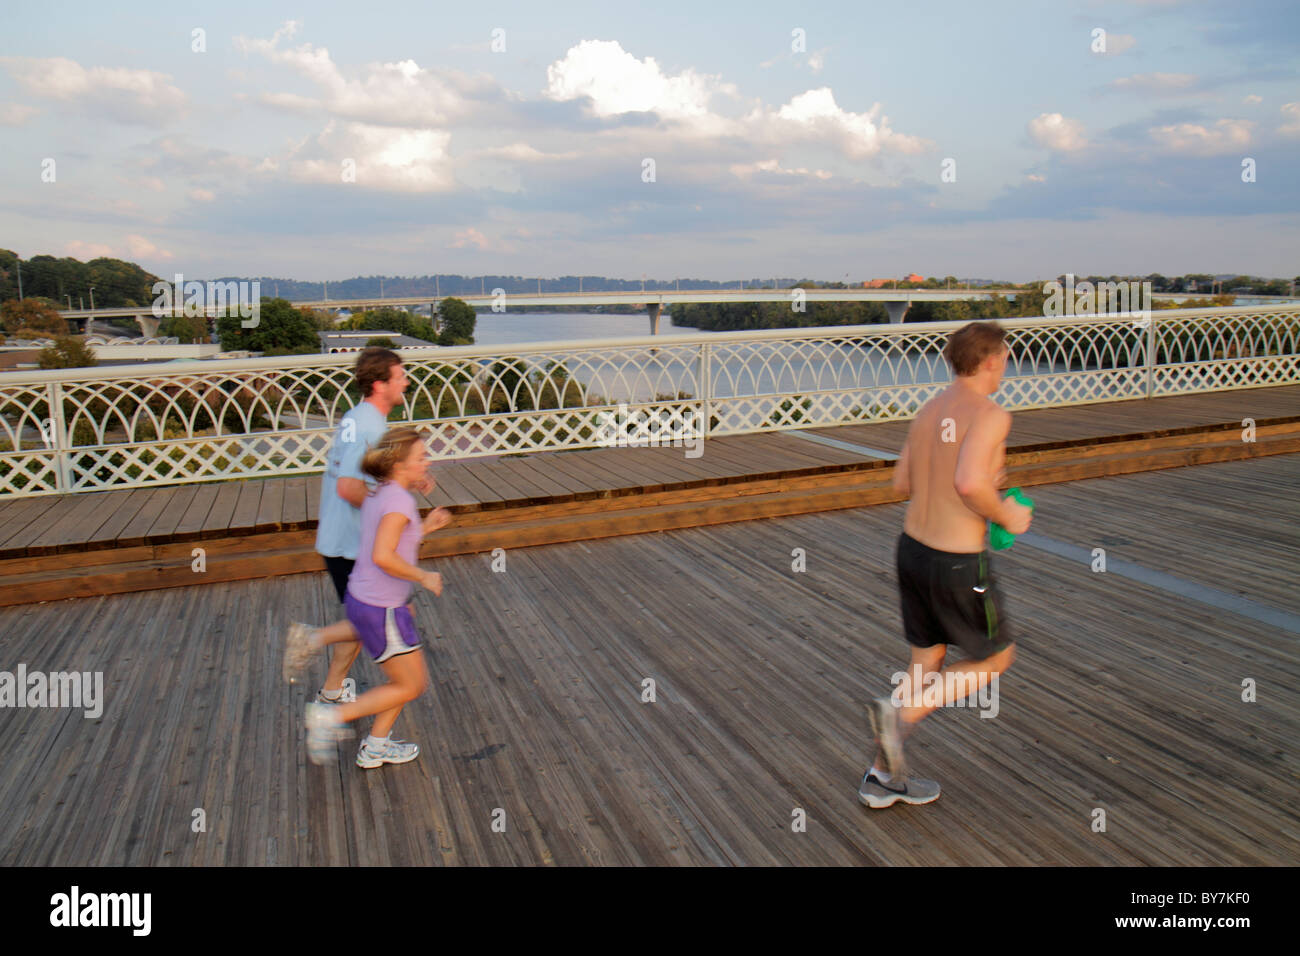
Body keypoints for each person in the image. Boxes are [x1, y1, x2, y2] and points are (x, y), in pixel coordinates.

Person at [860, 320, 1032, 809]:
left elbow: (902, 483)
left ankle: (881, 777)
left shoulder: (930, 409)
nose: (1005, 366)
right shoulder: (991, 414)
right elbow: (969, 485)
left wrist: (969, 475)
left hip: (912, 551)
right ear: (993, 359)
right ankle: (896, 714)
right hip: (957, 562)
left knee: (926, 662)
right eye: (1004, 358)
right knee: (996, 658)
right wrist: (1007, 514)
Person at [282, 347, 432, 702]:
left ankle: (333, 689)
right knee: (384, 613)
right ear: (381, 384)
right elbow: (348, 487)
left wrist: (405, 481)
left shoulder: (358, 417)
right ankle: (316, 645)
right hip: (351, 544)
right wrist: (395, 507)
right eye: (400, 377)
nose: (407, 383)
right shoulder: (370, 426)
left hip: (342, 540)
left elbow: (364, 478)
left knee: (373, 614)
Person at [303, 426, 451, 767]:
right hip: (382, 607)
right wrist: (423, 576)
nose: (427, 461)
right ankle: (330, 719)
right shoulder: (398, 502)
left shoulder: (382, 491)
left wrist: (425, 527)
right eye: (421, 457)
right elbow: (385, 555)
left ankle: (376, 746)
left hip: (367, 598)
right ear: (399, 464)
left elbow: (390, 538)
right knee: (411, 684)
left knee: (402, 679)